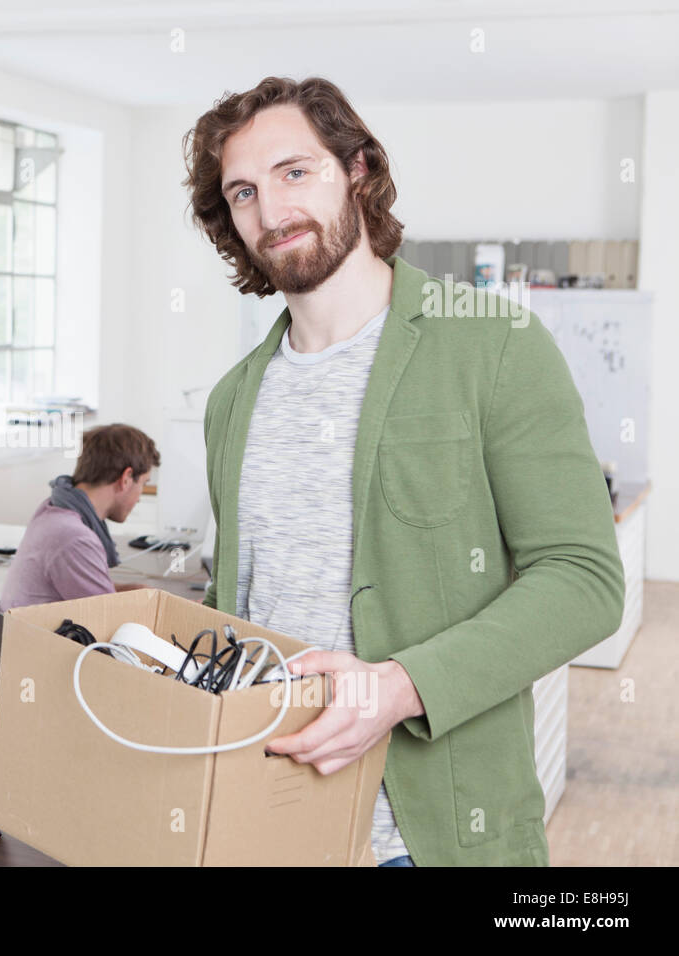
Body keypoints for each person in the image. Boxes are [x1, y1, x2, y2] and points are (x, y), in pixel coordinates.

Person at [183, 77, 623, 866]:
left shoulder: (494, 346)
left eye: (295, 172)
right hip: (262, 830)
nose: (272, 210)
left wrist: (398, 687)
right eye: (242, 191)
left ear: (357, 170)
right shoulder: (231, 400)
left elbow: (584, 580)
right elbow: (235, 607)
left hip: (430, 842)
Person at [0, 424, 160, 611]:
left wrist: (133, 592)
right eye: (143, 483)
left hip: (34, 634)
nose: (140, 496)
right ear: (126, 478)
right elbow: (107, 616)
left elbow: (76, 590)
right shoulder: (74, 537)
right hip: (50, 639)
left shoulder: (53, 508)